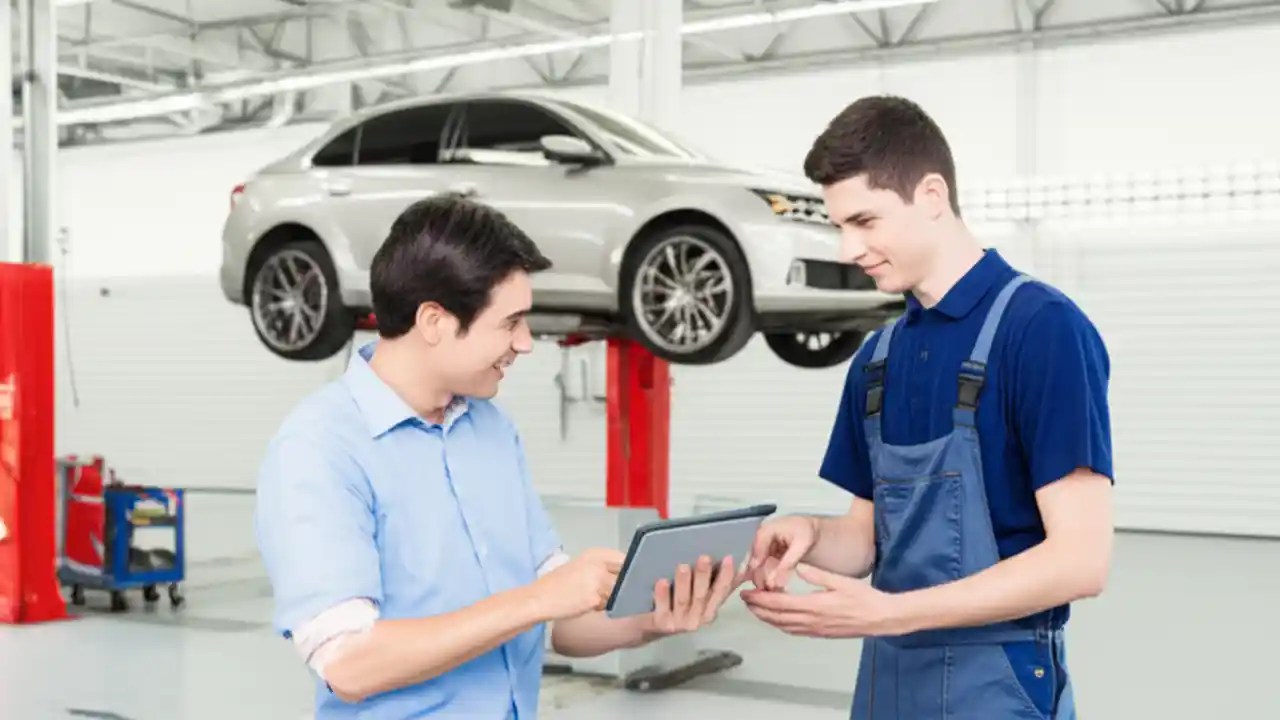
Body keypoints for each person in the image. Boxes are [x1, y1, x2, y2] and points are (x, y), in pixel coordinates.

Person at [254, 194, 742, 719]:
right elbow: (349, 663)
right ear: (434, 321)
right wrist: (541, 598)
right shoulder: (319, 448)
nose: (526, 343)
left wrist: (653, 619)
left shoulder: (491, 431)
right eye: (511, 323)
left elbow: (559, 626)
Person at [741, 95, 1114, 719]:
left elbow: (1080, 561)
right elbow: (865, 542)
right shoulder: (878, 358)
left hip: (996, 686)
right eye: (839, 227)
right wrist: (810, 534)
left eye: (865, 221)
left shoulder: (1043, 330)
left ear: (933, 195)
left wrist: (889, 613)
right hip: (887, 681)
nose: (847, 250)